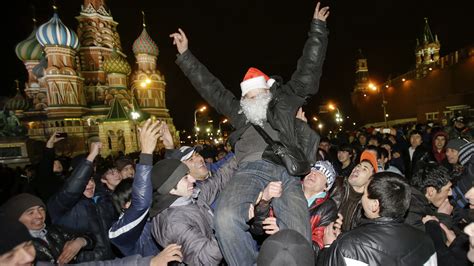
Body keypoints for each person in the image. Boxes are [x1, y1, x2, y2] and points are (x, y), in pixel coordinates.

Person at [169, 3, 329, 265]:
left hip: (286, 171)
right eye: (248, 96)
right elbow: (212, 88)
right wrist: (185, 56)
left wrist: (318, 29)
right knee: (225, 216)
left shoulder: (284, 102)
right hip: (250, 169)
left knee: (298, 231)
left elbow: (307, 73)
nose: (251, 100)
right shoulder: (240, 112)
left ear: (268, 93)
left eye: (257, 95)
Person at [319, 172, 437, 265]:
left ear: (375, 205)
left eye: (364, 194)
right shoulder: (426, 241)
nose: (361, 200)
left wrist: (329, 248)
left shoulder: (348, 247)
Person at [109, 120, 182, 258]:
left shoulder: (153, 215)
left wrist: (170, 148)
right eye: (134, 198)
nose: (151, 198)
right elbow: (141, 203)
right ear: (126, 205)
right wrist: (146, 153)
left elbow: (168, 182)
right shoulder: (120, 231)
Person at [149, 157, 237, 265]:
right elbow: (205, 258)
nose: (193, 179)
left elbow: (218, 180)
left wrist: (239, 156)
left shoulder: (189, 196)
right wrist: (229, 225)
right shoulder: (174, 223)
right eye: (186, 177)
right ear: (170, 187)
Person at [251, 160, 338, 258]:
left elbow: (316, 248)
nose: (313, 173)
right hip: (270, 254)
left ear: (327, 186)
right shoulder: (286, 189)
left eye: (320, 172)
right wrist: (264, 202)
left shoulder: (328, 208)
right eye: (312, 169)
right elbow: (257, 229)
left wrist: (284, 231)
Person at [47, 142, 118, 261]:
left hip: (113, 259)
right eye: (85, 181)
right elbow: (72, 189)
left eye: (91, 179)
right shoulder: (61, 203)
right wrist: (91, 156)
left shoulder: (104, 199)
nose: (90, 184)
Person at [1, 193, 94, 264]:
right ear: (16, 218)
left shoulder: (55, 231)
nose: (39, 216)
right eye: (30, 212)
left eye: (41, 209)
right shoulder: (13, 247)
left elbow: (90, 238)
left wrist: (80, 242)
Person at [332, 150, 377, 231]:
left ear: (370, 180)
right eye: (358, 166)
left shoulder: (366, 207)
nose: (357, 169)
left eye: (364, 169)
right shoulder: (336, 184)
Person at [405, 162, 453, 231]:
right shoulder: (412, 212)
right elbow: (432, 240)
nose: (451, 193)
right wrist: (444, 217)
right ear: (431, 191)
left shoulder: (419, 201)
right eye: (448, 189)